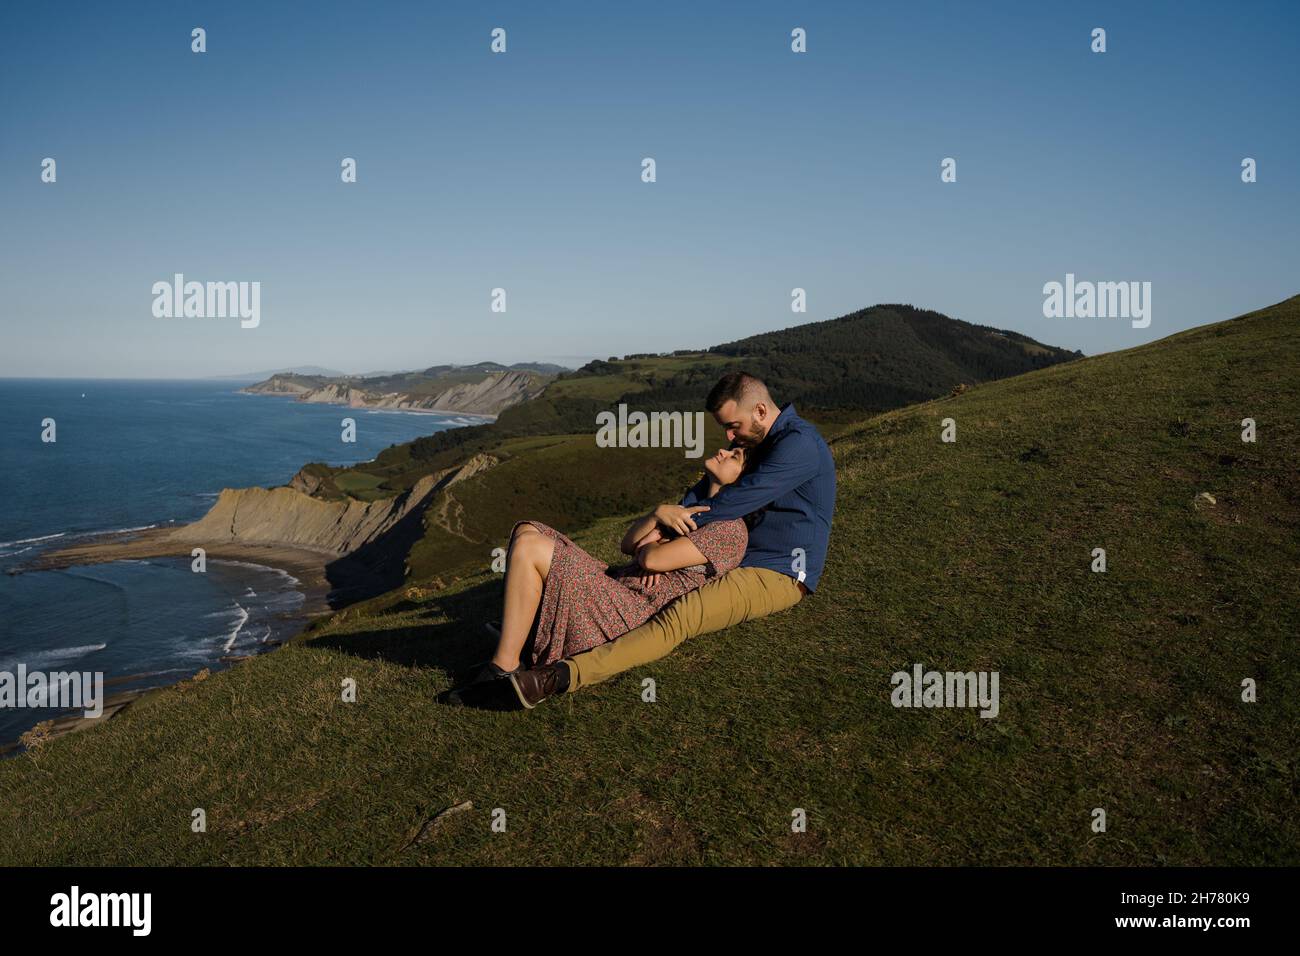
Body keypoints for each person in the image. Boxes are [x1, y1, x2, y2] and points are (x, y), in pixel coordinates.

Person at [508, 371, 836, 708]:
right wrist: (665, 521)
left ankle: (561, 676)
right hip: (727, 555)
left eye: (733, 425)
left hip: (777, 571)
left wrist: (667, 532)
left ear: (761, 412)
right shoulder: (751, 443)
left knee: (682, 616)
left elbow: (736, 500)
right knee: (621, 576)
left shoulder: (799, 444)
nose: (728, 436)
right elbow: (691, 501)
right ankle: (534, 627)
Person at [440, 446, 752, 707]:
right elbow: (629, 544)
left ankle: (505, 664)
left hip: (634, 610)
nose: (723, 450)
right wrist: (658, 513)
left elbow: (651, 557)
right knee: (527, 530)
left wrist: (654, 548)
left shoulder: (730, 529)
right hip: (618, 587)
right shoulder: (693, 507)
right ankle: (519, 645)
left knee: (530, 548)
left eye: (735, 455)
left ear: (747, 479)